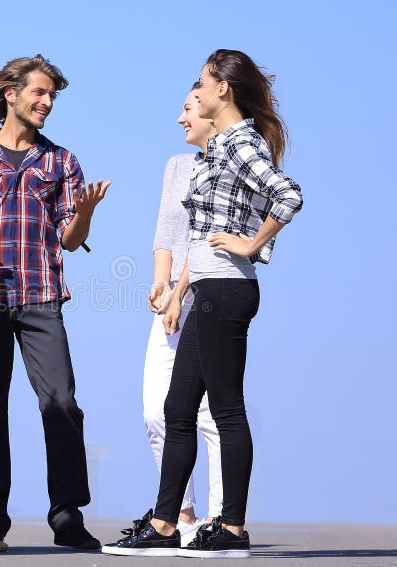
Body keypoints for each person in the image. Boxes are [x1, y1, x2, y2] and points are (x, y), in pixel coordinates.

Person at [102, 49, 303, 558]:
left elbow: (288, 196)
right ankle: (165, 523)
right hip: (207, 290)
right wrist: (178, 290)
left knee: (226, 408)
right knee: (177, 407)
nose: (196, 90)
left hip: (228, 289)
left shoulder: (242, 143)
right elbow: (195, 235)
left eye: (201, 82)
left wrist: (251, 245)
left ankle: (232, 529)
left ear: (222, 90)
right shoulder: (220, 149)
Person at [0, 54, 110, 550]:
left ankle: (67, 515)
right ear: (10, 95)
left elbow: (70, 239)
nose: (47, 102)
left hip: (40, 295)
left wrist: (86, 214)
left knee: (61, 402)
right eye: (39, 92)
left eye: (52, 95)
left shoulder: (61, 161)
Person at [143, 86, 222, 547]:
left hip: (207, 294)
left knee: (210, 414)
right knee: (157, 412)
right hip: (172, 295)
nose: (180, 118)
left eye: (189, 108)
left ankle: (219, 518)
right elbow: (166, 233)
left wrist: (180, 295)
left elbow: (205, 241)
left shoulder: (225, 167)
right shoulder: (177, 166)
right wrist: (161, 283)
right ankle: (182, 515)